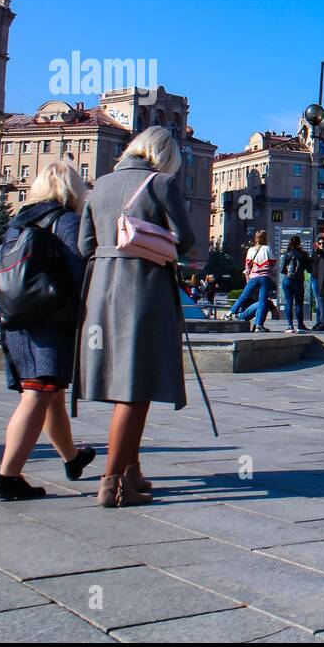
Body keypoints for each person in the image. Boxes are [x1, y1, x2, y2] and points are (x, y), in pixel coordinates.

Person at [74, 126, 195, 507]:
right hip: (143, 289)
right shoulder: (162, 185)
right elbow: (186, 238)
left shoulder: (99, 186)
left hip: (101, 291)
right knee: (134, 387)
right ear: (163, 155)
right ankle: (111, 483)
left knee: (126, 382)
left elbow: (83, 245)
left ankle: (132, 470)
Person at [0, 163, 97, 500]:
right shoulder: (66, 221)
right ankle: (9, 478)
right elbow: (81, 272)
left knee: (50, 392)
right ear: (73, 191)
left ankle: (71, 458)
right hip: (48, 322)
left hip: (17, 316)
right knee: (38, 393)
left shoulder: (19, 221)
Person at [235, 230, 277, 332]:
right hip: (264, 276)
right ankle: (258, 325)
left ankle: (231, 313)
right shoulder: (266, 249)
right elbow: (273, 265)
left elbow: (247, 266)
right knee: (263, 302)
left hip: (253, 278)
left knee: (255, 299)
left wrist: (249, 277)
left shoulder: (251, 250)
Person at [280, 236, 311, 333]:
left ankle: (290, 326)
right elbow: (309, 269)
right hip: (298, 281)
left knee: (288, 302)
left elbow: (282, 270)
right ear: (299, 243)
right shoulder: (304, 254)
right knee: (298, 304)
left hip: (288, 280)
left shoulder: (287, 254)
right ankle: (300, 325)